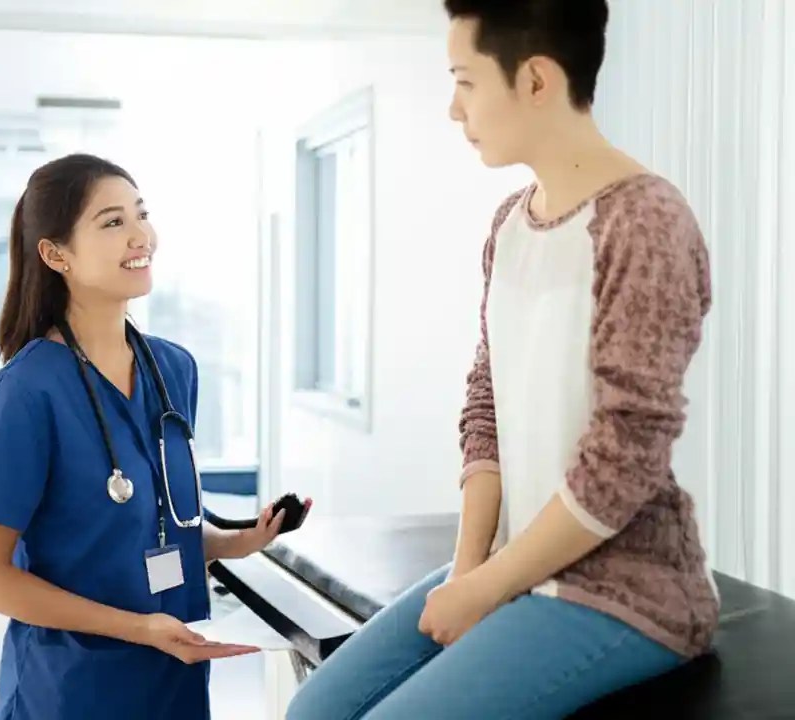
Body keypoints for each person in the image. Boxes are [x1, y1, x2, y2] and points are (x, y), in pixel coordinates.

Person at [285, 1, 718, 718]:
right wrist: (466, 572)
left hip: (623, 589)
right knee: (312, 711)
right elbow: (485, 400)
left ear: (537, 80)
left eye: (466, 80)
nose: (454, 108)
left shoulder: (645, 222)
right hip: (515, 567)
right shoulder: (510, 223)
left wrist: (485, 590)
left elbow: (626, 458)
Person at [0, 152, 313, 720]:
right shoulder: (26, 394)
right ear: (55, 254)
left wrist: (236, 543)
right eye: (113, 221)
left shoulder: (174, 371)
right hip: (70, 692)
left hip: (174, 683)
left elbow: (149, 529)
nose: (141, 234)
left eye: (141, 214)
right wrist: (137, 628)